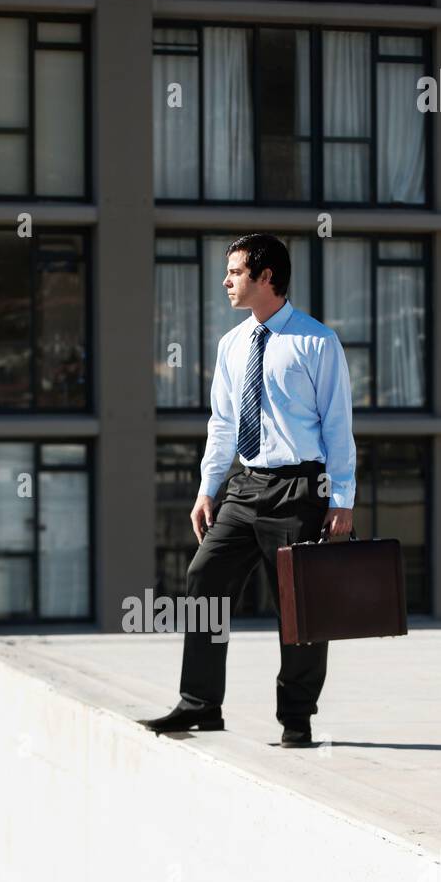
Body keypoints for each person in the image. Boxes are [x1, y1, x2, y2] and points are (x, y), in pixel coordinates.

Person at [142, 233, 356, 748]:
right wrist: (206, 488)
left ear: (266, 277)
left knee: (298, 607)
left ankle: (296, 719)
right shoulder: (232, 343)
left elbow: (338, 426)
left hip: (300, 487)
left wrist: (342, 499)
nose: (226, 281)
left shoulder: (317, 341)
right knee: (203, 577)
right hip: (245, 485)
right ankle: (200, 704)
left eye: (235, 272)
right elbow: (222, 423)